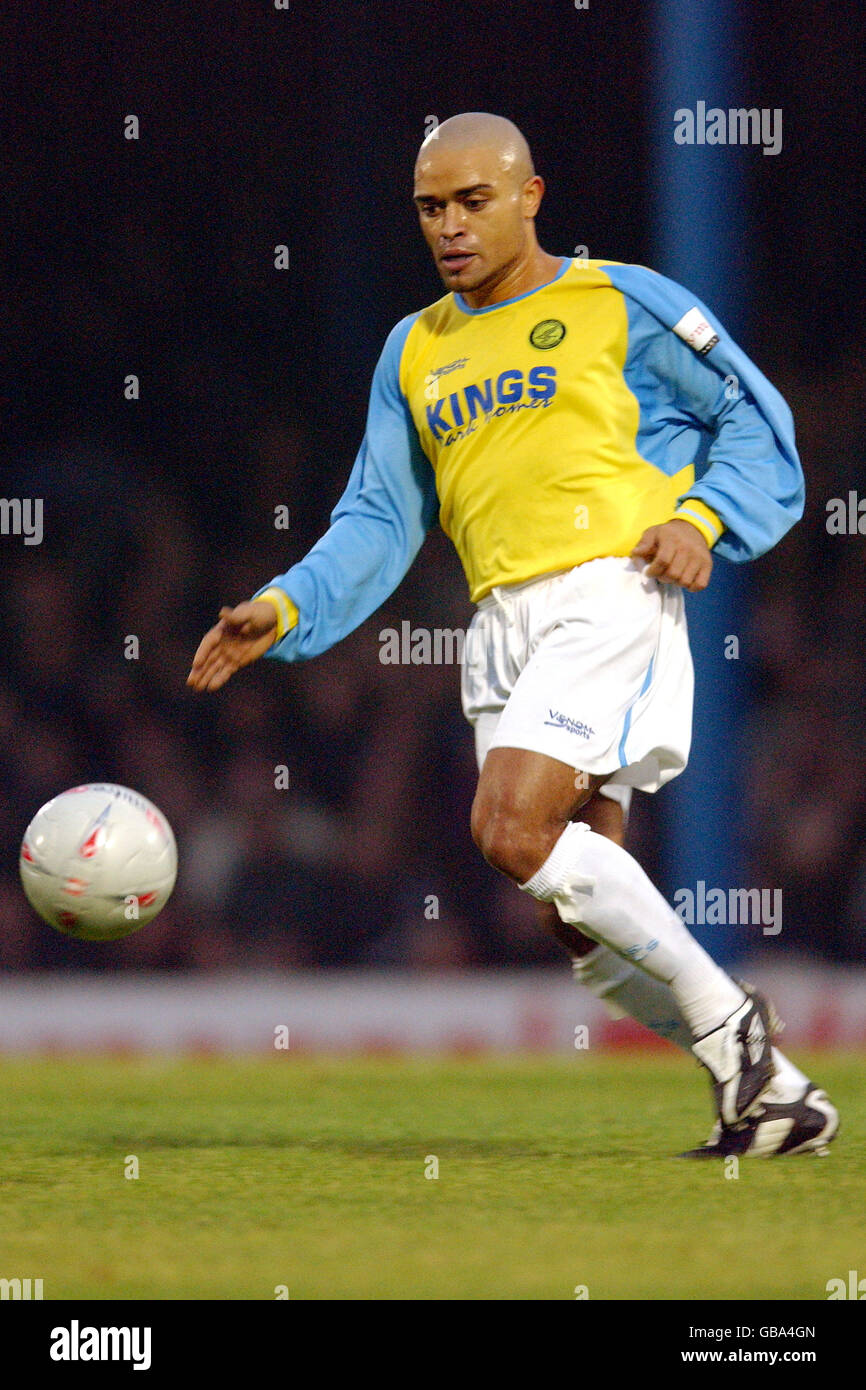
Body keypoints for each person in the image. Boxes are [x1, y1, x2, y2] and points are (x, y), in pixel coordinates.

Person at [188, 112, 837, 1158]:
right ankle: (767, 1095)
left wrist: (700, 519)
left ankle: (734, 1027)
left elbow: (753, 421)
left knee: (507, 825)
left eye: (472, 201)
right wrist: (289, 605)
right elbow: (379, 520)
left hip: (607, 590)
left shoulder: (617, 302)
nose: (449, 226)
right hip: (499, 626)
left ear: (529, 196)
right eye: (429, 208)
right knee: (572, 913)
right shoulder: (415, 349)